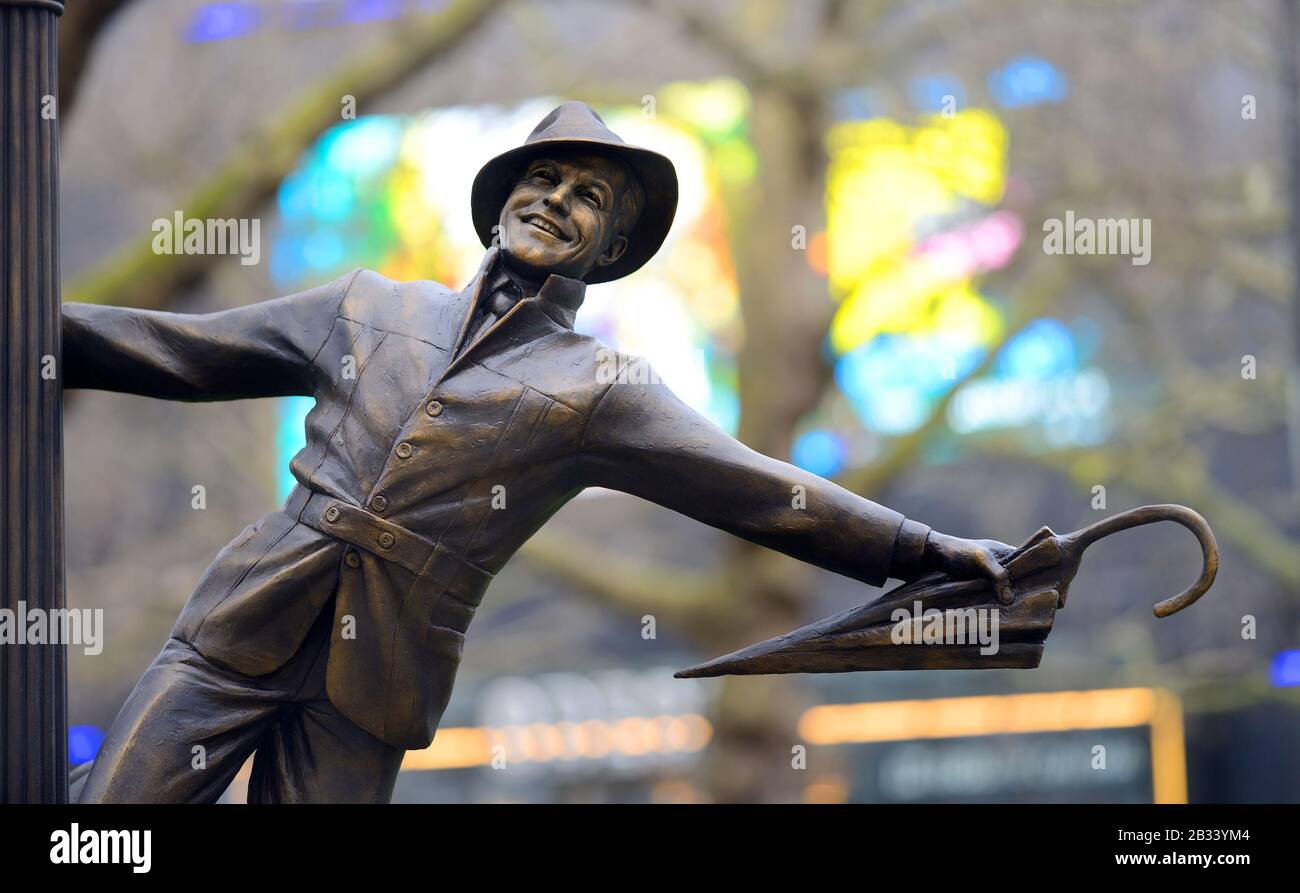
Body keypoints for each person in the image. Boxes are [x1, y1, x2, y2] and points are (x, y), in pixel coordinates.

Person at [63, 102, 1015, 802]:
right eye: (543, 180)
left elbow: (764, 491)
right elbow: (177, 353)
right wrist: (37, 327)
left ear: (610, 249)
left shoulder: (602, 388)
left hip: (376, 678)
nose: (556, 201)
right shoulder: (364, 306)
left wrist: (926, 549)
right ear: (500, 206)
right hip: (244, 621)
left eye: (588, 198)